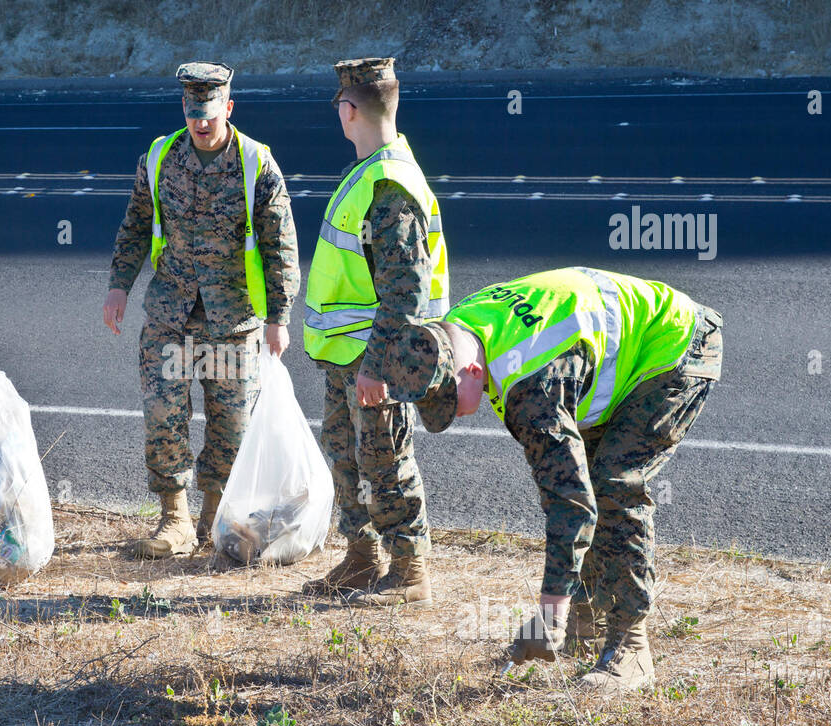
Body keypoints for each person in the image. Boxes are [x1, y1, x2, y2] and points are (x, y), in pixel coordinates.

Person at [383, 266, 723, 691]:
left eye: (448, 401)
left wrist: (548, 614)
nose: (451, 415)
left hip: (676, 347)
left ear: (471, 372)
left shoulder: (530, 385)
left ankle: (631, 646)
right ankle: (589, 619)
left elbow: (571, 502)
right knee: (591, 473)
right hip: (617, 349)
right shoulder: (461, 325)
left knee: (614, 484)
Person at [103, 61, 300, 559]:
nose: (201, 124)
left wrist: (280, 316)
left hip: (233, 321)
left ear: (228, 108)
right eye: (193, 114)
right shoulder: (160, 156)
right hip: (170, 315)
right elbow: (134, 225)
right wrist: (118, 286)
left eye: (209, 114)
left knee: (230, 426)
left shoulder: (257, 164)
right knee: (162, 415)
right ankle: (174, 519)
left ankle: (213, 516)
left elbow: (281, 246)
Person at [300, 58, 449, 608]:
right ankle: (363, 557)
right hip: (349, 354)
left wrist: (376, 367)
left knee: (384, 458)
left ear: (348, 110)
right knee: (346, 455)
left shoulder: (387, 186)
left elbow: (404, 294)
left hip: (373, 357)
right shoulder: (370, 171)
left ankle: (410, 572)